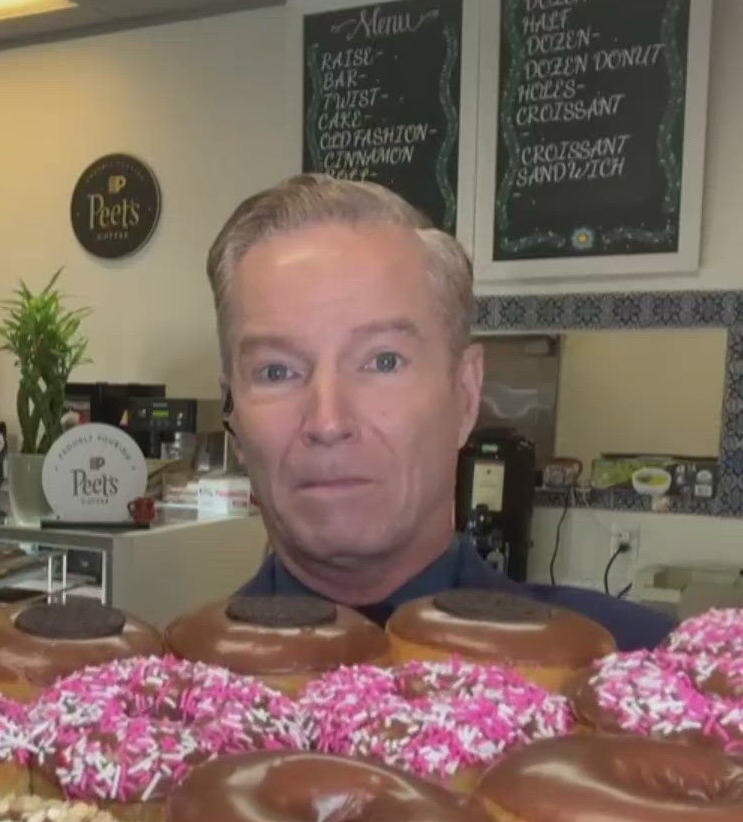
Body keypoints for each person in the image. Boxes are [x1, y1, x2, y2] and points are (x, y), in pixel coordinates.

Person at [211, 174, 673, 648]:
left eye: (383, 362)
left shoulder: (645, 674)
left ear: (466, 395)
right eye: (276, 372)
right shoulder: (156, 701)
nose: (328, 422)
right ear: (234, 418)